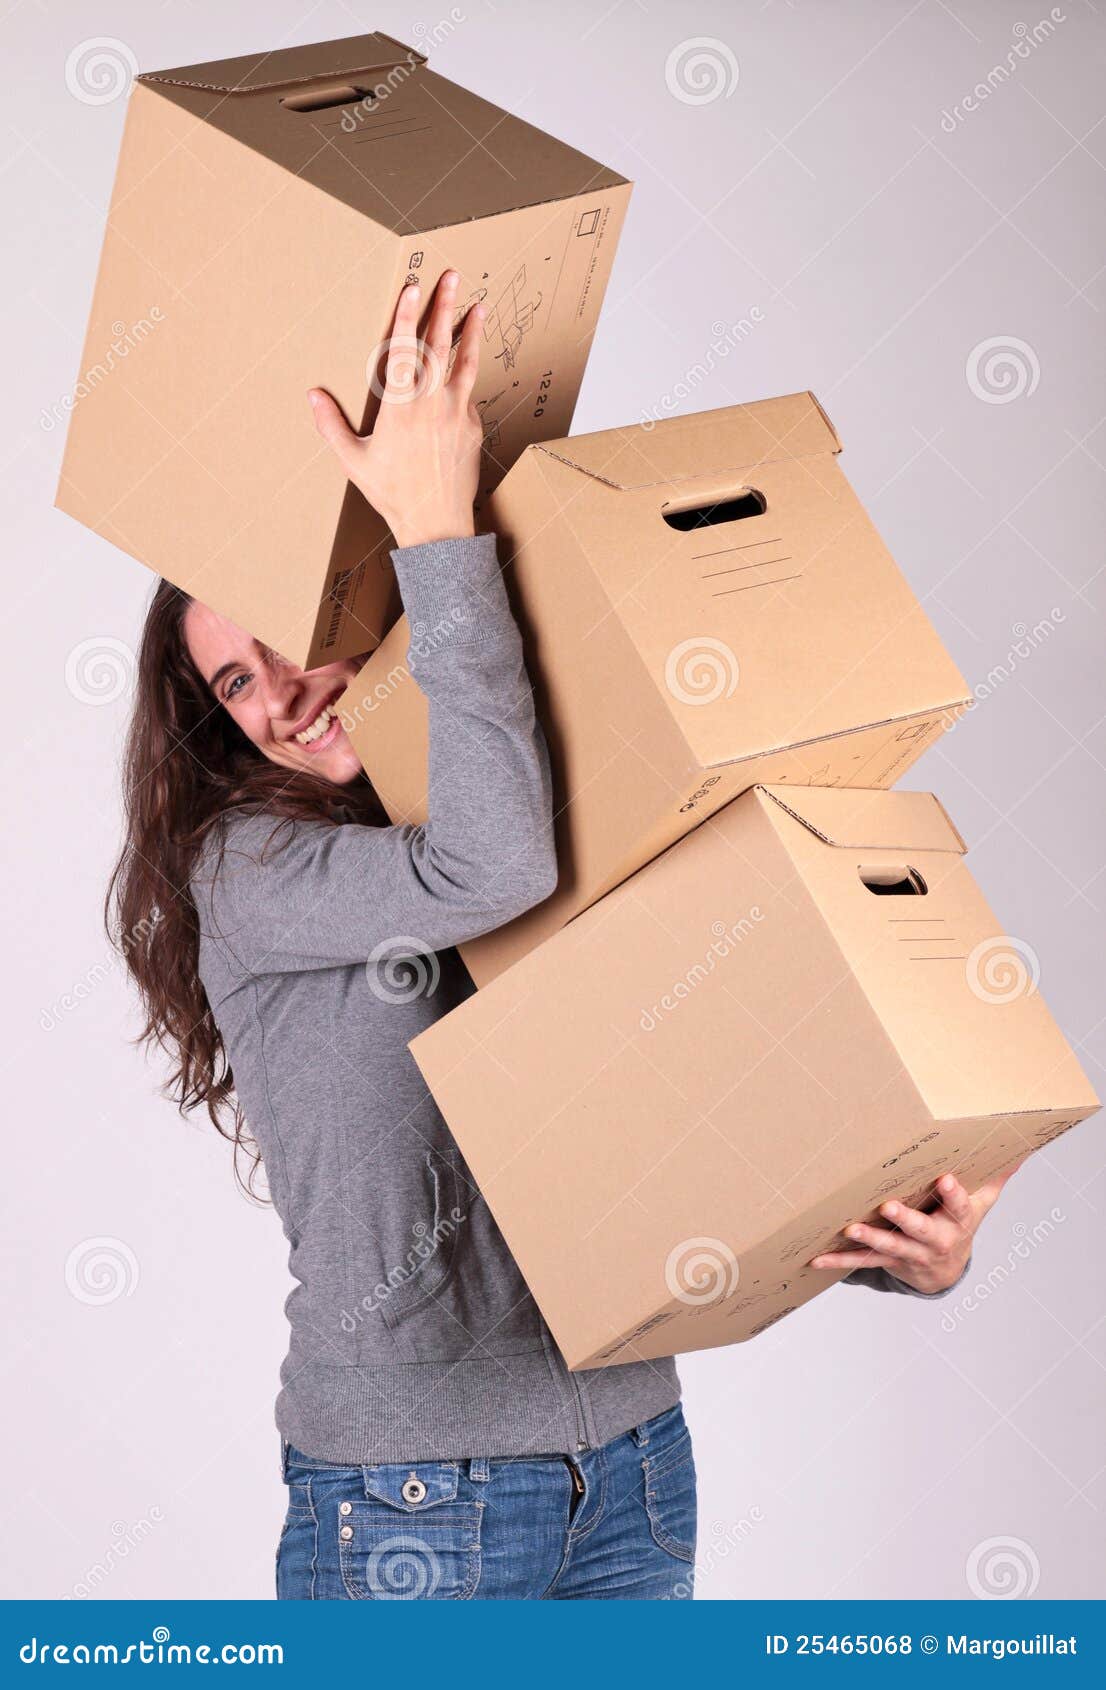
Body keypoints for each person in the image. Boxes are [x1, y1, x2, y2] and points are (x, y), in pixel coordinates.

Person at [108, 270, 1013, 1601]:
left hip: (634, 1461)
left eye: (285, 640)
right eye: (231, 681)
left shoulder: (534, 798)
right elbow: (486, 865)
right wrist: (433, 521)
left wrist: (904, 1243)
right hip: (410, 1490)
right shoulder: (251, 864)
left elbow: (714, 1098)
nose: (279, 695)